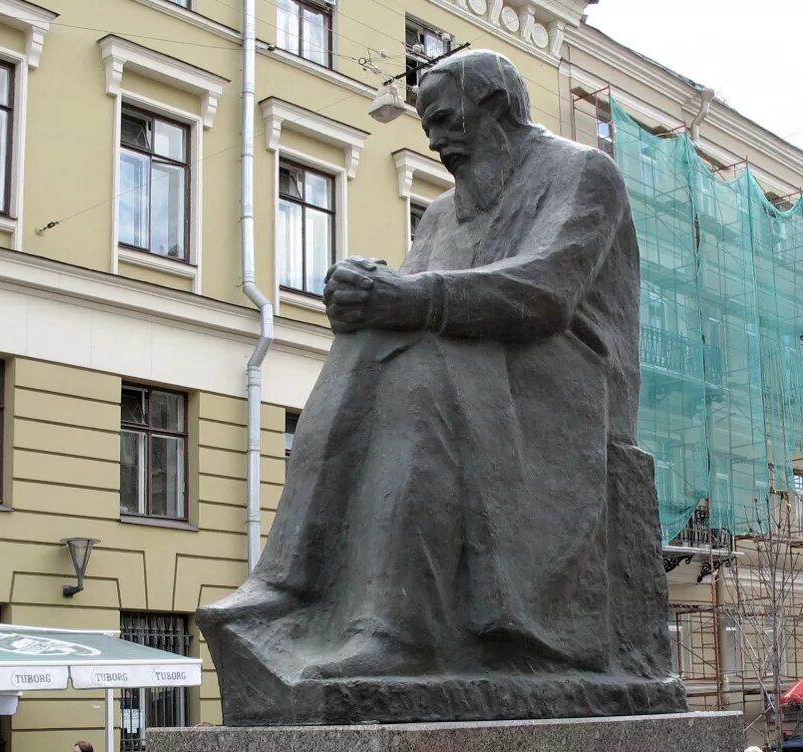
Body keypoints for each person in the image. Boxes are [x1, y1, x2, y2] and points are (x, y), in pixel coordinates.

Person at [198, 50, 685, 725]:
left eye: (447, 119)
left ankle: (399, 629)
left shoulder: (582, 173)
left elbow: (545, 293)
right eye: (428, 124)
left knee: (425, 356)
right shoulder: (440, 215)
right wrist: (364, 294)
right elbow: (407, 305)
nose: (434, 138)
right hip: (488, 378)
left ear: (497, 108)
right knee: (371, 341)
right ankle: (287, 583)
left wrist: (410, 299)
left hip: (570, 391)